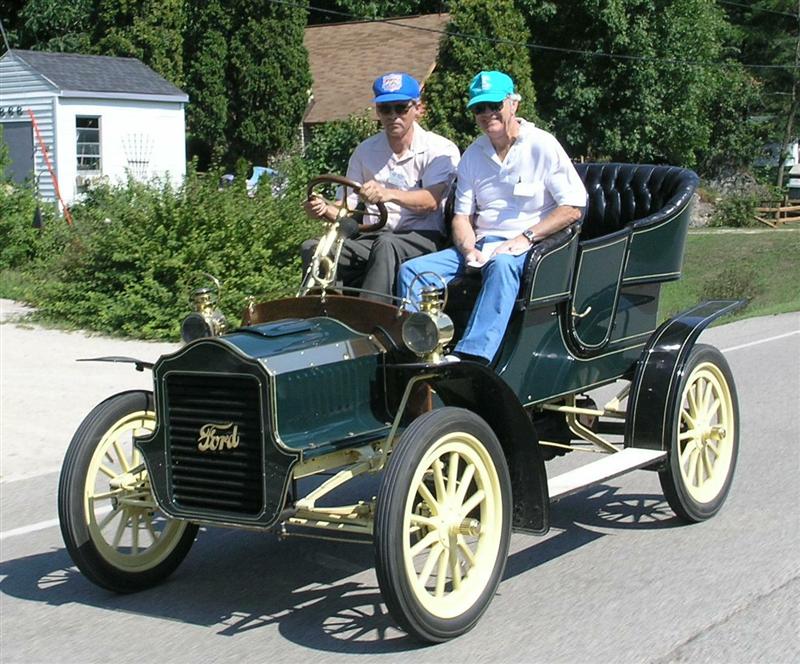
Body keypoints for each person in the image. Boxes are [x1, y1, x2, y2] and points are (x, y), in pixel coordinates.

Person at [398, 71, 587, 365]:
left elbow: (573, 207)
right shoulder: (473, 155)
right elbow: (461, 217)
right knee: (412, 271)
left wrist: (524, 238)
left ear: (513, 104)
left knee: (501, 264)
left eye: (494, 106)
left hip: (533, 247)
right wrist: (468, 248)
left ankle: (472, 357)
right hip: (482, 244)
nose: (487, 114)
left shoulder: (542, 145)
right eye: (479, 108)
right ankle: (417, 348)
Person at [302, 72, 460, 303]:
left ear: (417, 108)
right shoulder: (365, 151)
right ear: (377, 111)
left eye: (401, 108)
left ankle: (370, 318)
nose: (393, 115)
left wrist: (388, 194)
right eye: (386, 109)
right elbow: (345, 207)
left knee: (386, 246)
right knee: (314, 248)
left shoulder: (439, 149)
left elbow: (431, 201)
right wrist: (322, 209)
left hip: (423, 236)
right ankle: (324, 310)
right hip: (373, 236)